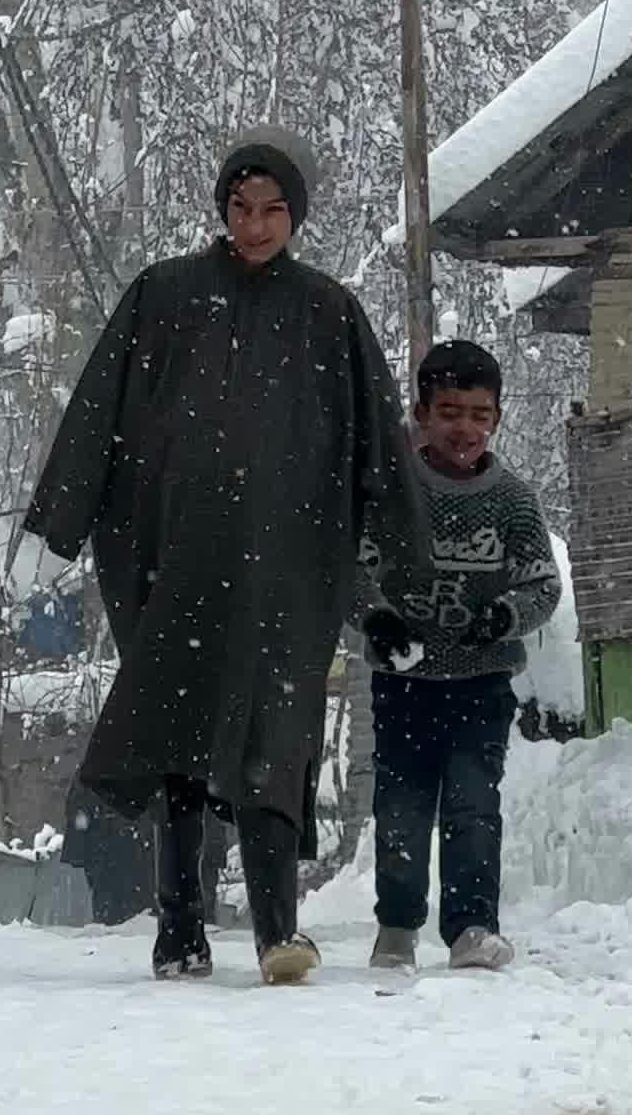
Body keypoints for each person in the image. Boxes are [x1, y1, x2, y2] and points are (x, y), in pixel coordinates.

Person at [25, 131, 429, 985]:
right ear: (221, 210)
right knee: (181, 733)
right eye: (241, 208)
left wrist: (397, 564)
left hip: (290, 565)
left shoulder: (329, 314)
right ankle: (179, 928)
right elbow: (103, 407)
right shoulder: (165, 296)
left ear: (296, 215)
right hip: (177, 557)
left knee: (277, 736)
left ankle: (279, 929)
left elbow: (378, 446)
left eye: (272, 210)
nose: (254, 226)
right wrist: (67, 515)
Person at [358, 337, 561, 974]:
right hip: (404, 682)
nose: (463, 428)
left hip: (482, 683)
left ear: (496, 419)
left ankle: (472, 926)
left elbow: (542, 585)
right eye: (449, 412)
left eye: (479, 414)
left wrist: (507, 615)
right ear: (421, 414)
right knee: (402, 803)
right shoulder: (391, 491)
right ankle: (396, 926)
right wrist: (379, 619)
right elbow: (351, 569)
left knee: (474, 804)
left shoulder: (513, 501)